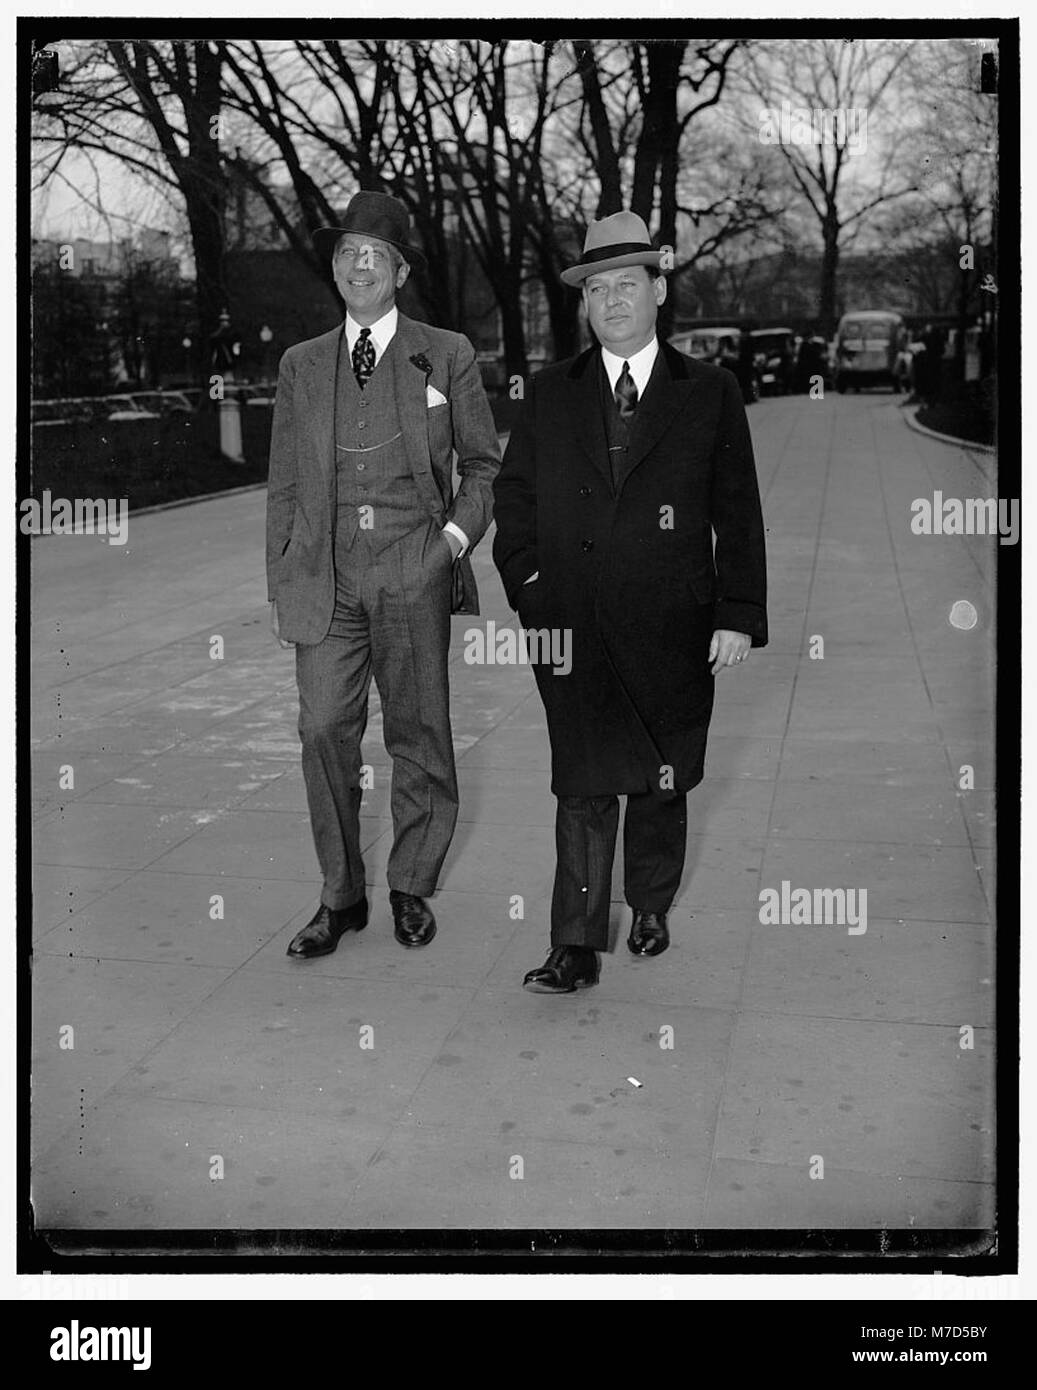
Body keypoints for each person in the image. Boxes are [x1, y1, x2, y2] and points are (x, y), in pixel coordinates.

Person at [492, 211, 767, 994]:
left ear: (658, 289)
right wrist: (529, 588)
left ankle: (648, 903)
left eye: (627, 284)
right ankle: (573, 943)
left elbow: (737, 509)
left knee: (662, 773)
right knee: (579, 779)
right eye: (597, 288)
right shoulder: (550, 393)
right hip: (569, 625)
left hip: (672, 621)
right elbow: (513, 499)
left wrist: (736, 612)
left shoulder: (708, 392)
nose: (612, 300)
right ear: (583, 304)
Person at [267, 190, 500, 957]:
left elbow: (481, 466)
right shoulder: (301, 365)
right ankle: (340, 898)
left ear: (398, 270)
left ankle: (409, 886)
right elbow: (285, 485)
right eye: (346, 254)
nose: (359, 265)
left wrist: (450, 546)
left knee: (418, 732)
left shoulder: (447, 352)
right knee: (323, 728)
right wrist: (284, 579)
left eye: (375, 254)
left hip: (414, 565)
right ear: (334, 271)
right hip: (326, 575)